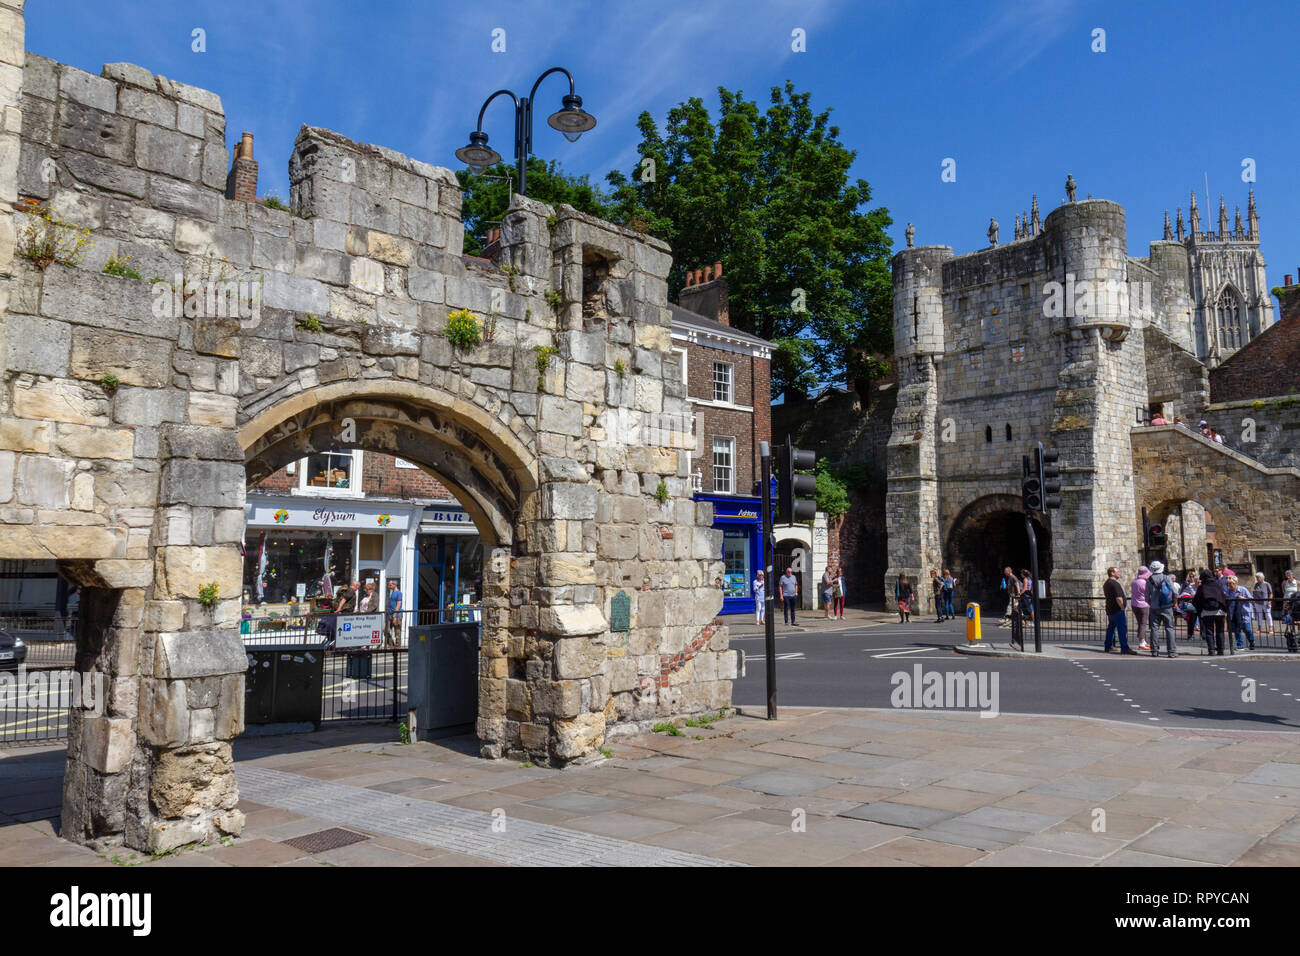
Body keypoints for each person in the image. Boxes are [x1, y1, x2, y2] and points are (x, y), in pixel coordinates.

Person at [1193, 569, 1229, 656]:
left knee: (1209, 631)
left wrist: (1200, 610)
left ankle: (1211, 650)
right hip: (1219, 611)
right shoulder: (1217, 585)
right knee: (1220, 631)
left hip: (1207, 611)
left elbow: (1196, 600)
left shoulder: (1202, 587)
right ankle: (1221, 650)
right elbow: (1223, 597)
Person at [1148, 560, 1178, 657]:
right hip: (1166, 606)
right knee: (1169, 628)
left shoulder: (1149, 580)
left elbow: (1145, 597)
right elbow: (1175, 592)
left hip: (1154, 607)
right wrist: (1175, 602)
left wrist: (1151, 603)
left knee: (1154, 629)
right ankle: (1172, 651)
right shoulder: (1166, 578)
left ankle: (1154, 650)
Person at [1103, 567, 1136, 654]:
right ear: (1112, 573)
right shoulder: (1114, 584)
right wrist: (1122, 607)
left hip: (1110, 609)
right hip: (1117, 610)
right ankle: (1124, 648)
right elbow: (1118, 598)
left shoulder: (1106, 583)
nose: (1119, 573)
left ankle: (1107, 646)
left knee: (1111, 628)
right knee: (1122, 629)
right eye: (1117, 571)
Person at [1228, 575, 1255, 651]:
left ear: (1235, 583)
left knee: (1247, 629)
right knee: (1237, 630)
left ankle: (1252, 642)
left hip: (1244, 613)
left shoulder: (1243, 589)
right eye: (1228, 584)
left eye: (1231, 583)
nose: (1229, 585)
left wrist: (1243, 598)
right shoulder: (1229, 592)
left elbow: (1251, 600)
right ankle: (1240, 645)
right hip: (1234, 614)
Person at [1131, 565, 1151, 651]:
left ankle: (1142, 640)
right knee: (1143, 624)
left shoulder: (1134, 581)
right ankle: (1142, 642)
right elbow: (1149, 594)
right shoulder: (1145, 583)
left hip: (1134, 604)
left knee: (1140, 623)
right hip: (1144, 604)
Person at [1178, 571, 1199, 643]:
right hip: (1192, 606)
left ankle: (1204, 635)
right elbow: (1183, 594)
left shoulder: (1203, 587)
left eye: (1199, 581)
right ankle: (1190, 635)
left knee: (1203, 621)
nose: (1198, 582)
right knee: (1191, 621)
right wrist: (1189, 597)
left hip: (1201, 606)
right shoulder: (1190, 586)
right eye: (1197, 581)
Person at [1253, 572, 1274, 637]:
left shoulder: (1267, 584)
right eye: (1256, 577)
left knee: (1268, 615)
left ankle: (1270, 628)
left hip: (1266, 602)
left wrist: (1269, 602)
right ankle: (1259, 628)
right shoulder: (1256, 584)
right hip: (1257, 602)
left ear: (1261, 578)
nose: (1256, 579)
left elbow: (1270, 593)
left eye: (1257, 578)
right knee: (1259, 615)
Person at [385, 578, 403, 647]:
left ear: (394, 585)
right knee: (386, 630)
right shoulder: (392, 592)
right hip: (390, 614)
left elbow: (398, 605)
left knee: (397, 632)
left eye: (390, 585)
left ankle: (397, 647)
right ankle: (391, 645)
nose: (388, 586)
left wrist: (394, 615)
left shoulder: (399, 593)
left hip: (397, 615)